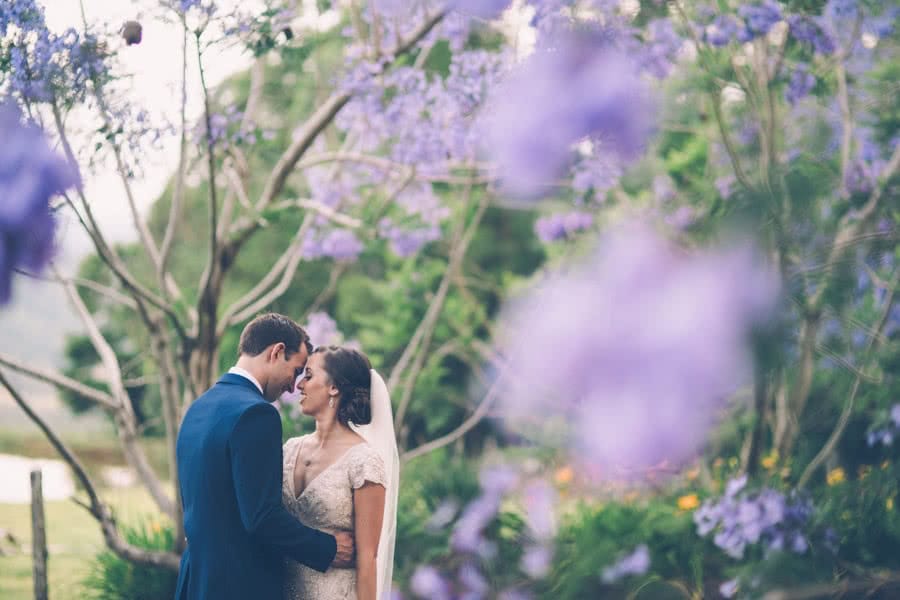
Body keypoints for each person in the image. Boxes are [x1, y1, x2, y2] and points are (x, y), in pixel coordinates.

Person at [175, 313, 354, 600]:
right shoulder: (257, 414)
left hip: (196, 583)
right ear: (277, 351)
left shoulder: (199, 407)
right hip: (239, 586)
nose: (293, 386)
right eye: (296, 371)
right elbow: (261, 516)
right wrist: (329, 549)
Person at [282, 345, 399, 600]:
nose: (299, 385)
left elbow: (368, 559)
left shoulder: (364, 461)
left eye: (309, 375)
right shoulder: (289, 450)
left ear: (334, 387)